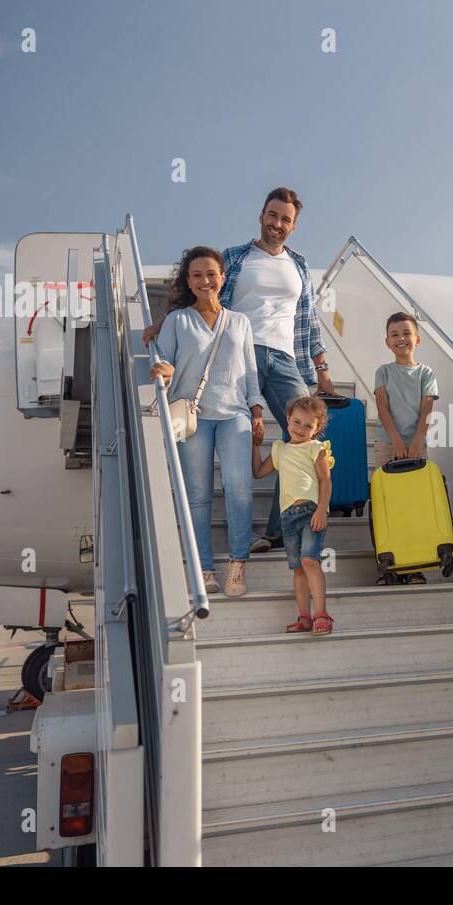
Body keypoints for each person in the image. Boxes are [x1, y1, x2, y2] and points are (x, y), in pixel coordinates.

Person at [144, 187, 336, 554]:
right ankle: (237, 539)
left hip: (284, 359)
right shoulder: (234, 256)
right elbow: (202, 292)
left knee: (308, 442)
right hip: (235, 357)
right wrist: (164, 320)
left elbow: (309, 321)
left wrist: (321, 370)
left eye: (285, 219)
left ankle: (281, 528)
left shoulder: (299, 266)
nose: (277, 224)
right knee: (235, 456)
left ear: (293, 226)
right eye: (272, 215)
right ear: (261, 215)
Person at [150, 246, 266, 598]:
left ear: (222, 276)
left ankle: (237, 567)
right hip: (192, 417)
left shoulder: (240, 321)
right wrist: (164, 370)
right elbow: (164, 361)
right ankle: (204, 569)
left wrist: (257, 410)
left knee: (239, 489)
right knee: (198, 497)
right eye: (197, 275)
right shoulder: (176, 320)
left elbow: (249, 373)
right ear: (188, 280)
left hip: (235, 416)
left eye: (211, 274)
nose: (205, 281)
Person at [252, 396, 335, 635]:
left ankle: (321, 614)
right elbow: (258, 472)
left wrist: (322, 509)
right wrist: (255, 444)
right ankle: (304, 616)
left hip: (311, 512)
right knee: (298, 568)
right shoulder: (280, 449)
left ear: (317, 428)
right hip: (287, 516)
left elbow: (325, 480)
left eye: (308, 426)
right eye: (296, 422)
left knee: (310, 560)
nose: (300, 429)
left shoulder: (316, 448)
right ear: (288, 418)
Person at [373, 311, 438, 467]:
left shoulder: (426, 373)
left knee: (417, 490)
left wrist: (417, 442)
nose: (401, 338)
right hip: (387, 444)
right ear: (387, 342)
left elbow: (426, 411)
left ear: (417, 340)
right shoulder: (382, 372)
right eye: (394, 335)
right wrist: (396, 440)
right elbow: (383, 409)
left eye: (407, 333)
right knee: (386, 489)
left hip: (416, 444)